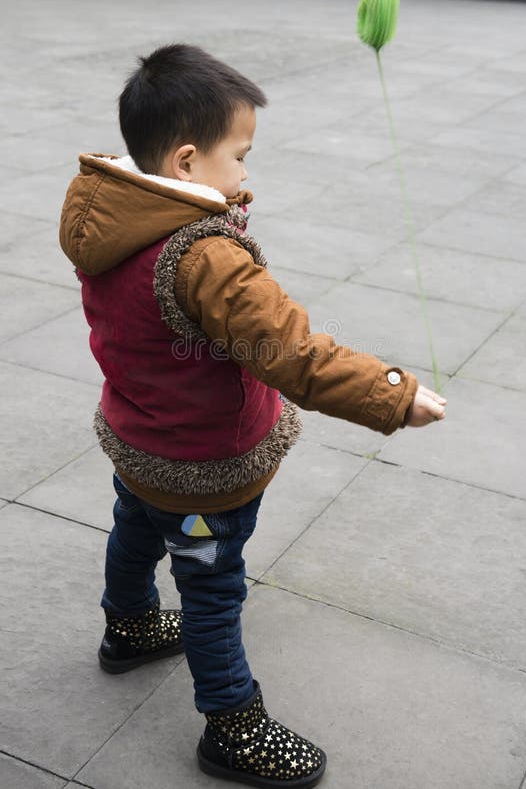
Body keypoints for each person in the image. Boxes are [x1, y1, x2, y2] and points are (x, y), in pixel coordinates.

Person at [59, 43, 446, 788]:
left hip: (139, 437)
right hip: (203, 467)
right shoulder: (204, 258)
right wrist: (391, 392)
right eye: (238, 157)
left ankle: (130, 624)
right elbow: (290, 352)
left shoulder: (113, 214)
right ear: (184, 161)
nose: (245, 174)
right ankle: (231, 725)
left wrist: (220, 211)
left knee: (135, 529)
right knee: (211, 585)